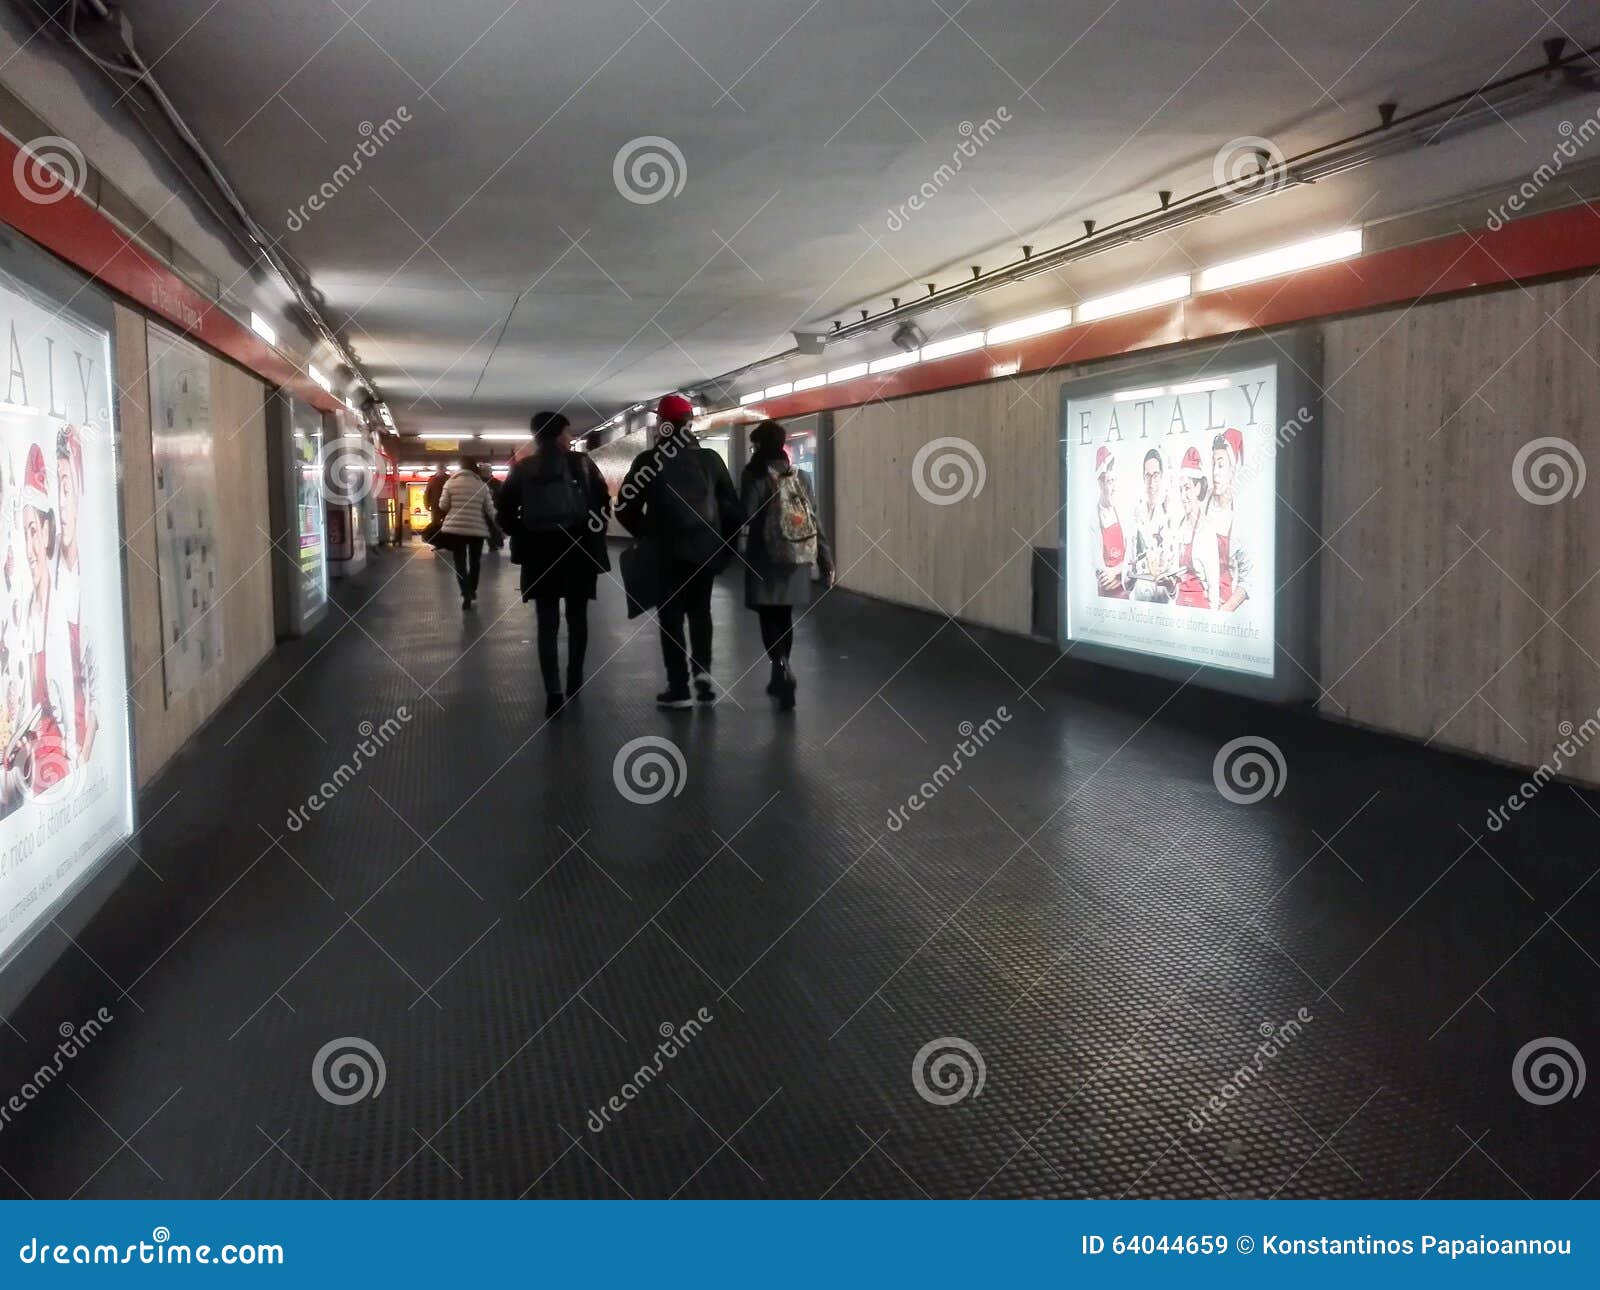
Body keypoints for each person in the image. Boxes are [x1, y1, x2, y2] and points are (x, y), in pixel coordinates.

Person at [616, 393, 742, 709]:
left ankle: (679, 688)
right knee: (701, 613)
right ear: (690, 424)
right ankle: (703, 676)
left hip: (666, 553)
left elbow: (624, 508)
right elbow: (732, 509)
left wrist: (647, 535)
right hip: (705, 551)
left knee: (671, 618)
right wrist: (726, 549)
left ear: (661, 424)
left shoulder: (648, 462)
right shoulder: (711, 460)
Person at [496, 411, 611, 718]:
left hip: (540, 554)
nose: (570, 438)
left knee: (547, 624)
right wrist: (592, 531)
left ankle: (553, 692)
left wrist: (525, 533)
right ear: (559, 435)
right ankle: (575, 681)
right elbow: (602, 502)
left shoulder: (523, 468)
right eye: (567, 433)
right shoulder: (583, 464)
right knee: (578, 619)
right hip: (578, 551)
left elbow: (504, 511)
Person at [740, 420, 832, 710]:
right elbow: (813, 519)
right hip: (795, 557)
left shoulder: (754, 476)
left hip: (764, 557)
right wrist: (825, 559)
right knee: (784, 616)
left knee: (768, 616)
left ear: (759, 446)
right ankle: (781, 671)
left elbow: (746, 515)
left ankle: (780, 665)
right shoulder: (800, 476)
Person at [437, 457, 497, 610]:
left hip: (456, 530)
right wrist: (500, 526)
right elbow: (490, 510)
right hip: (477, 529)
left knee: (460, 562)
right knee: (475, 561)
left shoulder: (450, 483)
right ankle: (472, 589)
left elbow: (443, 506)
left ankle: (465, 593)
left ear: (460, 468)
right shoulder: (482, 486)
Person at [1202, 427, 1251, 613]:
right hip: (1196, 606)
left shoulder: (1240, 518)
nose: (1215, 472)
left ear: (1232, 470)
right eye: (1213, 464)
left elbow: (1248, 579)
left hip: (1222, 609)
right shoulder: (1202, 504)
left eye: (1221, 465)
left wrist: (1225, 610)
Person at [1165, 445, 1213, 609]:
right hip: (1180, 608)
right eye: (1181, 490)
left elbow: (1213, 589)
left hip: (1201, 610)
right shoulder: (1179, 527)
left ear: (1198, 488)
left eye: (1187, 488)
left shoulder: (1207, 531)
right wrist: (1169, 586)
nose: (1183, 496)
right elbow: (1174, 589)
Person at [1129, 446, 1172, 603]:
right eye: (1147, 476)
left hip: (1162, 600)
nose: (1151, 483)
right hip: (1139, 599)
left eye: (1156, 475)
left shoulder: (1170, 514)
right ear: (1143, 478)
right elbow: (1128, 565)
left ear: (1162, 476)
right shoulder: (1135, 515)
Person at [1089, 445, 1129, 598]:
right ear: (1100, 484)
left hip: (1127, 593)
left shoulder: (1122, 513)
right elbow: (1102, 576)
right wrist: (1119, 574)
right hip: (1106, 598)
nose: (1114, 488)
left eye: (1114, 480)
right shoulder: (1093, 520)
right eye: (1110, 482)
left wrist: (1117, 573)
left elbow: (1132, 558)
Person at [422, 464, 449, 542]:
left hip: (442, 506)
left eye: (442, 469)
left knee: (441, 523)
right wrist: (426, 504)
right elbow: (427, 493)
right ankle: (439, 540)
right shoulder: (448, 479)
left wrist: (426, 503)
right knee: (437, 524)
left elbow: (427, 493)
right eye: (439, 469)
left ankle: (442, 540)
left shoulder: (433, 480)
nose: (441, 470)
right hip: (438, 506)